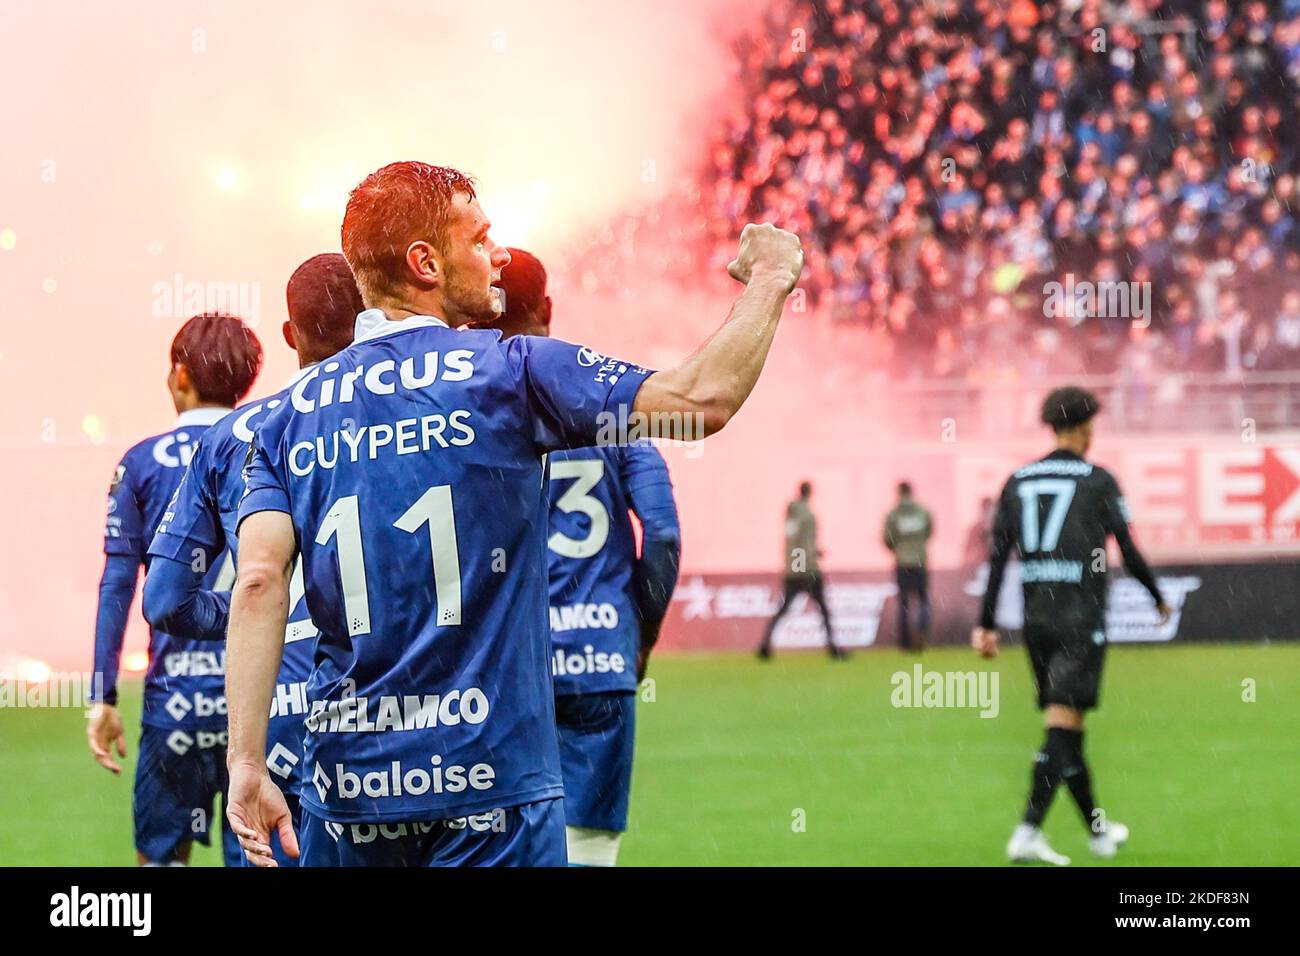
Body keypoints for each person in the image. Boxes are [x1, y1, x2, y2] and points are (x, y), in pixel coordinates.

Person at [224, 160, 803, 867]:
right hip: (490, 792)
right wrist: (772, 278)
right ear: (424, 262)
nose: (497, 254)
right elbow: (700, 400)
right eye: (479, 236)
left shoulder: (286, 418)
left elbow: (257, 583)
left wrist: (246, 763)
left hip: (348, 793)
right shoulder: (508, 370)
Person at [142, 254, 363, 866]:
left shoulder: (237, 435)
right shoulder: (418, 418)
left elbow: (164, 599)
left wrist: (252, 614)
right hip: (400, 721)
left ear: (290, 336)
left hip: (276, 725)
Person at [489, 247, 681, 867]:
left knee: (505, 843)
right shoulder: (608, 403)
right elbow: (664, 535)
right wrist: (640, 635)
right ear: (547, 308)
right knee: (591, 850)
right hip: (601, 660)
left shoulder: (468, 410)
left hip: (508, 669)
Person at [87, 312, 262, 865]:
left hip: (176, 709)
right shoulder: (270, 447)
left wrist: (101, 695)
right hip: (259, 705)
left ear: (180, 375)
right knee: (260, 854)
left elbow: (118, 585)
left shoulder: (140, 463)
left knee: (160, 862)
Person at [972, 386, 1171, 866]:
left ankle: (1099, 834)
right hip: (1080, 617)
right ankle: (1027, 830)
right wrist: (1157, 596)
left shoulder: (1018, 480)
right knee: (1063, 726)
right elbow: (1128, 547)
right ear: (1084, 427)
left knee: (1067, 726)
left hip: (1036, 617)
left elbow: (998, 556)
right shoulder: (1098, 480)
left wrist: (986, 624)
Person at [757, 481, 845, 660]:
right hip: (808, 570)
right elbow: (806, 544)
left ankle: (765, 644)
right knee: (823, 610)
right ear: (810, 493)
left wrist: (795, 564)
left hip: (793, 569)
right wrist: (812, 557)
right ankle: (833, 647)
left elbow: (794, 544)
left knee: (783, 609)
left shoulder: (791, 516)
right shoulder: (809, 516)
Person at [883, 481, 933, 652]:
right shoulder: (922, 511)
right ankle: (921, 635)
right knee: (923, 601)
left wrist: (900, 549)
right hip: (920, 561)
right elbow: (929, 532)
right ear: (911, 491)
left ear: (899, 492)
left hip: (902, 561)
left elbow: (888, 539)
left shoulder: (894, 514)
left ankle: (904, 643)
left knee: (903, 604)